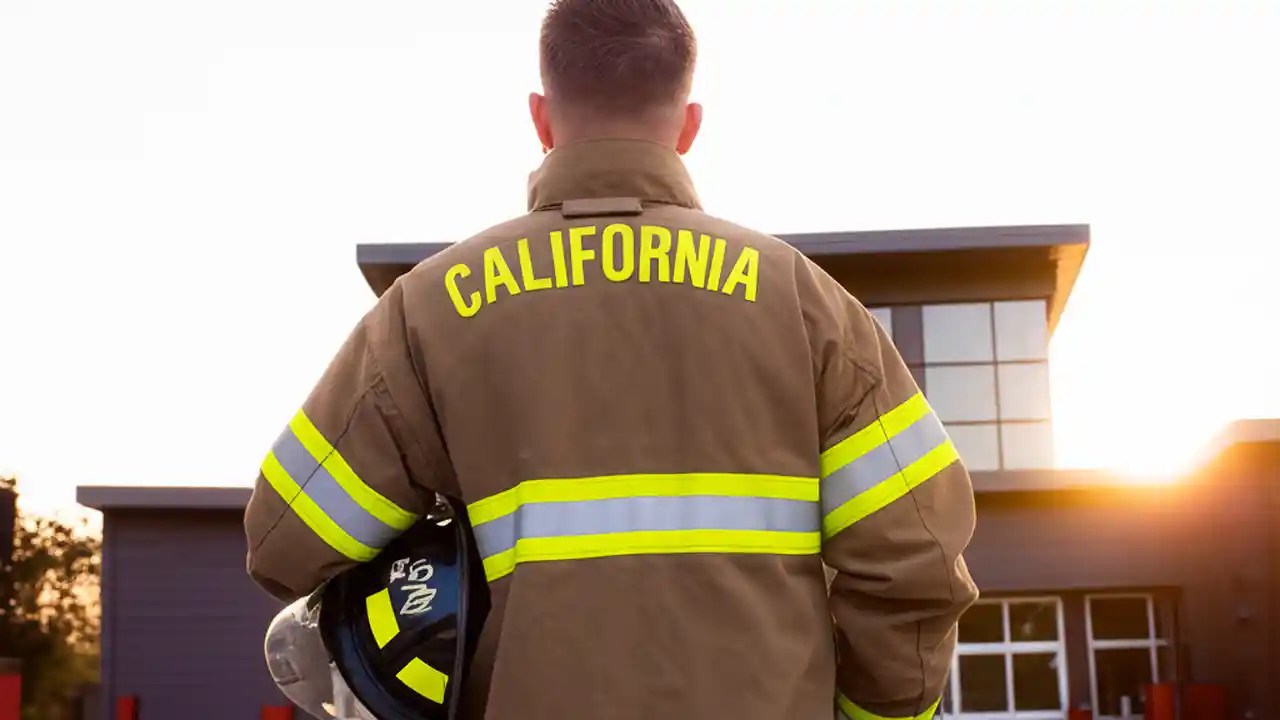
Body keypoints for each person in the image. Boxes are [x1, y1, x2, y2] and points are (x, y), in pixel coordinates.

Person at [243, 0, 979, 718]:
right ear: (688, 126)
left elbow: (285, 540)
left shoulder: (429, 310)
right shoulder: (803, 302)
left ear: (540, 118)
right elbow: (912, 560)